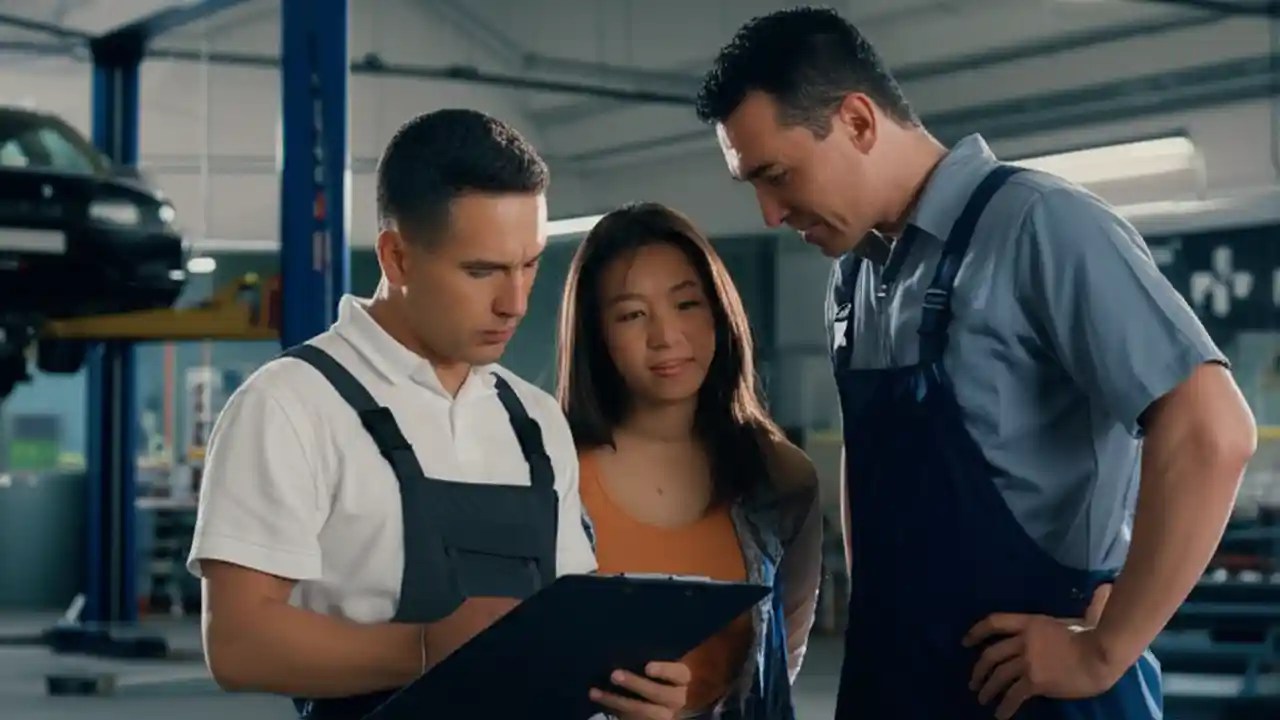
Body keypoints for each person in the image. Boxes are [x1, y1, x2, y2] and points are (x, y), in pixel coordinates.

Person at [693, 7, 1257, 720]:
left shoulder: (1041, 226)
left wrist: (1104, 649)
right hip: (898, 680)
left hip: (1035, 690)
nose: (770, 213)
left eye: (776, 175)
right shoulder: (856, 276)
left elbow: (1212, 430)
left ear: (859, 123)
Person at [185, 109, 690, 719]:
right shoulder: (290, 406)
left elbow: (562, 626)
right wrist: (422, 648)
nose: (515, 302)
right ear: (397, 258)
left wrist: (624, 689)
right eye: (482, 272)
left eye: (529, 264)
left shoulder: (532, 419)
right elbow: (237, 645)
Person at [555, 202, 823, 720]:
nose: (666, 337)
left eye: (687, 305)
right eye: (632, 315)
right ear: (596, 334)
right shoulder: (552, 473)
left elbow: (779, 661)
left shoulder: (780, 478)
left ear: (719, 312)